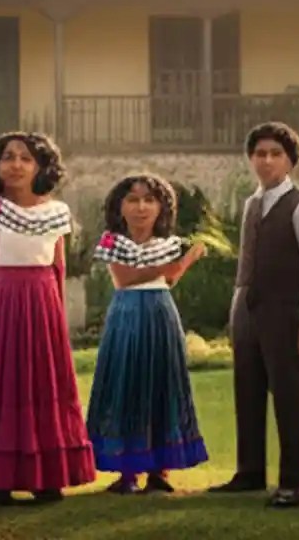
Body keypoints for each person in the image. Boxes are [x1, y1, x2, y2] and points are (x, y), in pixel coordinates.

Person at [0, 131, 96, 505]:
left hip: (43, 301)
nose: (16, 165)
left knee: (45, 386)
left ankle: (47, 477)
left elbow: (58, 265)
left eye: (26, 158)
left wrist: (58, 315)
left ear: (41, 166)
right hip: (4, 299)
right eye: (8, 157)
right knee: (2, 384)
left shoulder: (56, 212)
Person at [209, 121, 299, 508]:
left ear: (290, 160)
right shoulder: (251, 204)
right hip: (248, 307)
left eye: (275, 153)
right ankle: (250, 472)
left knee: (290, 395)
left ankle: (293, 481)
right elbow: (247, 261)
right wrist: (236, 308)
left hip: (287, 309)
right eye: (259, 153)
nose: (266, 160)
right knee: (247, 389)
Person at [86, 173, 209, 495]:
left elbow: (170, 280)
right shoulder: (113, 241)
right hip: (127, 314)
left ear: (161, 207)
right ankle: (127, 471)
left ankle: (159, 470)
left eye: (149, 200)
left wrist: (181, 263)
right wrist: (177, 263)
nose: (141, 207)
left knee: (161, 384)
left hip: (160, 312)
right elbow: (124, 279)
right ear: (120, 206)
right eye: (133, 199)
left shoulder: (168, 243)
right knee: (126, 383)